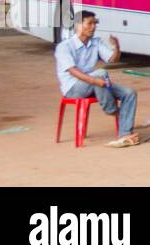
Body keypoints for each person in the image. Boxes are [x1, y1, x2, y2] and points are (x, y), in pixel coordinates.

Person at [55, 10, 140, 148]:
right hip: (73, 88)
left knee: (129, 93)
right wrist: (95, 81)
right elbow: (73, 71)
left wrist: (117, 47)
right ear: (78, 25)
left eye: (95, 23)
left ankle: (124, 134)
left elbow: (112, 60)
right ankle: (112, 110)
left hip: (95, 84)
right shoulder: (64, 46)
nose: (93, 27)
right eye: (89, 23)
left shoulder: (96, 42)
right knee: (100, 73)